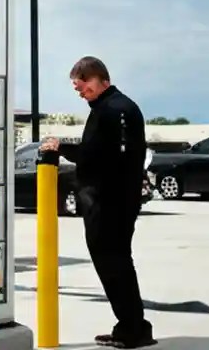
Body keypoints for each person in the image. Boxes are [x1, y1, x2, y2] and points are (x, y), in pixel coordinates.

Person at [41, 56, 154, 348]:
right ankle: (129, 325)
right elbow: (98, 151)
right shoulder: (105, 108)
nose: (81, 92)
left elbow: (113, 156)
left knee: (114, 262)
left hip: (112, 201)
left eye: (84, 86)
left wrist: (64, 150)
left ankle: (134, 329)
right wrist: (65, 149)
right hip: (107, 200)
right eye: (78, 89)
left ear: (101, 79)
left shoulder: (117, 109)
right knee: (112, 262)